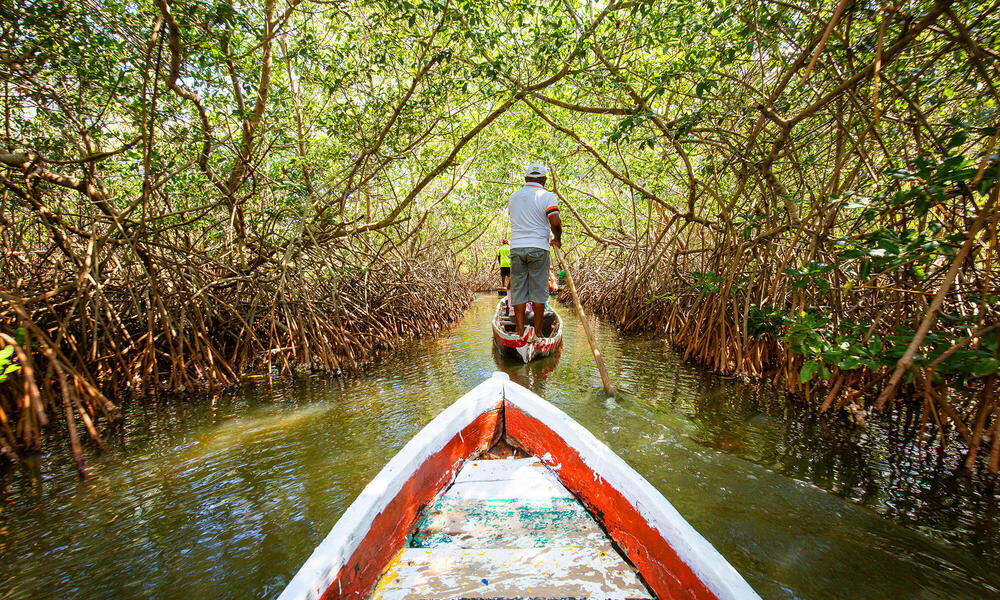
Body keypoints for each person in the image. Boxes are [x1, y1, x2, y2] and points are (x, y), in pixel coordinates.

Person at [507, 162, 562, 340]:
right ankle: (538, 333)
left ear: (526, 179)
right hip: (538, 247)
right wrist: (557, 239)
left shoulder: (513, 197)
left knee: (518, 292)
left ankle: (519, 332)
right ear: (544, 180)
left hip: (516, 248)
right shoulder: (547, 196)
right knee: (539, 293)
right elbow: (555, 221)